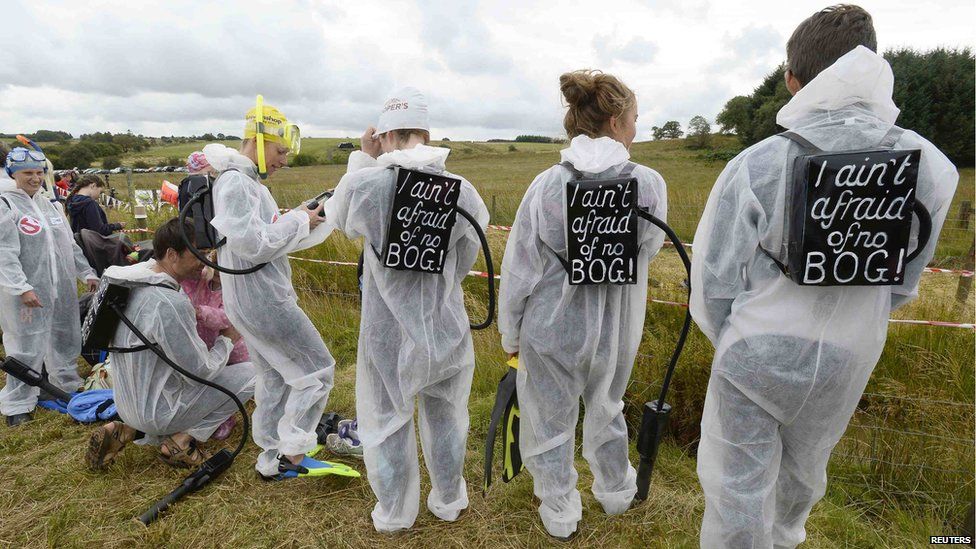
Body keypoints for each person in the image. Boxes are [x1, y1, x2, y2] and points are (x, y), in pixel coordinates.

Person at [689, 6, 958, 548]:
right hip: (848, 354)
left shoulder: (758, 163)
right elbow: (901, 281)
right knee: (801, 482)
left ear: (793, 80)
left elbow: (714, 280)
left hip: (754, 351)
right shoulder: (930, 165)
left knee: (736, 490)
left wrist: (734, 339)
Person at [497, 71, 667, 539]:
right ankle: (616, 491)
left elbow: (521, 269)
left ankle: (559, 511)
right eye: (633, 119)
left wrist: (510, 332)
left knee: (549, 417)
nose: (636, 129)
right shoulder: (649, 184)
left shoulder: (547, 185)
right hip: (615, 324)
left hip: (549, 326)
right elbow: (647, 247)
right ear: (615, 122)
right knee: (607, 404)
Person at [323, 87, 489, 532]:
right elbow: (468, 253)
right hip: (445, 324)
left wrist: (362, 157)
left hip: (387, 332)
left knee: (387, 419)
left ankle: (396, 514)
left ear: (385, 134)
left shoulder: (368, 184)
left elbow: (337, 216)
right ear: (427, 132)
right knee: (447, 415)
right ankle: (449, 499)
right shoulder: (464, 191)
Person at [208, 99, 340, 480]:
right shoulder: (235, 183)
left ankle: (270, 455)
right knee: (317, 370)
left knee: (276, 376)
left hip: (251, 297)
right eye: (280, 151)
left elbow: (262, 235)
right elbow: (253, 244)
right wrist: (298, 219)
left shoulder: (246, 182)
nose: (284, 160)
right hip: (262, 299)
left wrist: (299, 219)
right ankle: (293, 453)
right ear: (259, 140)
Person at [85, 218, 256, 469]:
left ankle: (127, 431)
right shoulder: (168, 303)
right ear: (172, 254)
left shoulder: (129, 280)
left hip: (126, 403)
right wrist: (228, 339)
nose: (203, 261)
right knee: (253, 374)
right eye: (197, 255)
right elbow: (200, 371)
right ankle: (181, 441)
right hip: (155, 411)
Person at [0, 148, 99, 426]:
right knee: (24, 344)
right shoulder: (6, 205)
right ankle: (18, 403)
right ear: (13, 174)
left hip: (61, 289)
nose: (35, 178)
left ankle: (65, 384)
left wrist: (86, 273)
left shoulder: (52, 206)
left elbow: (69, 246)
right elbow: (4, 253)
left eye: (38, 172)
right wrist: (21, 288)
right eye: (27, 173)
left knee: (65, 338)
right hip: (26, 292)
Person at [180, 256, 248, 440]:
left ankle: (226, 417)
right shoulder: (202, 280)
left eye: (225, 266)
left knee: (230, 383)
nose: (218, 270)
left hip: (233, 349)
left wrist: (200, 312)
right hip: (206, 345)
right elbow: (185, 284)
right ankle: (204, 412)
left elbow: (227, 317)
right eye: (215, 264)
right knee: (210, 381)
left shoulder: (235, 291)